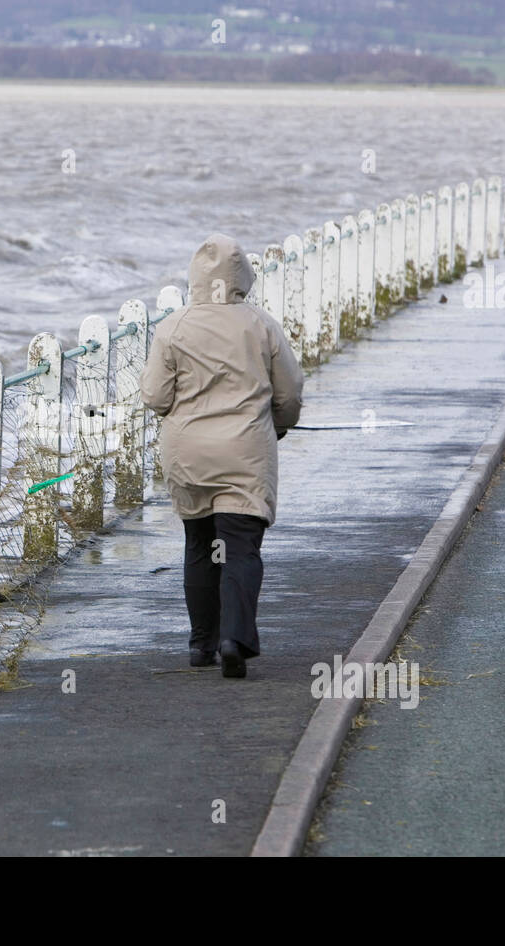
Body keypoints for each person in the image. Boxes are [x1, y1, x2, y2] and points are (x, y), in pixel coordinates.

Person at [141, 233, 304, 678]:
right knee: (239, 546)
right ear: (241, 277)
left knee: (199, 544)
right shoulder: (261, 324)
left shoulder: (173, 326)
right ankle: (236, 638)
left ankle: (201, 645)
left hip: (188, 453)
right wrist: (280, 424)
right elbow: (289, 393)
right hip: (245, 451)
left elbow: (155, 397)